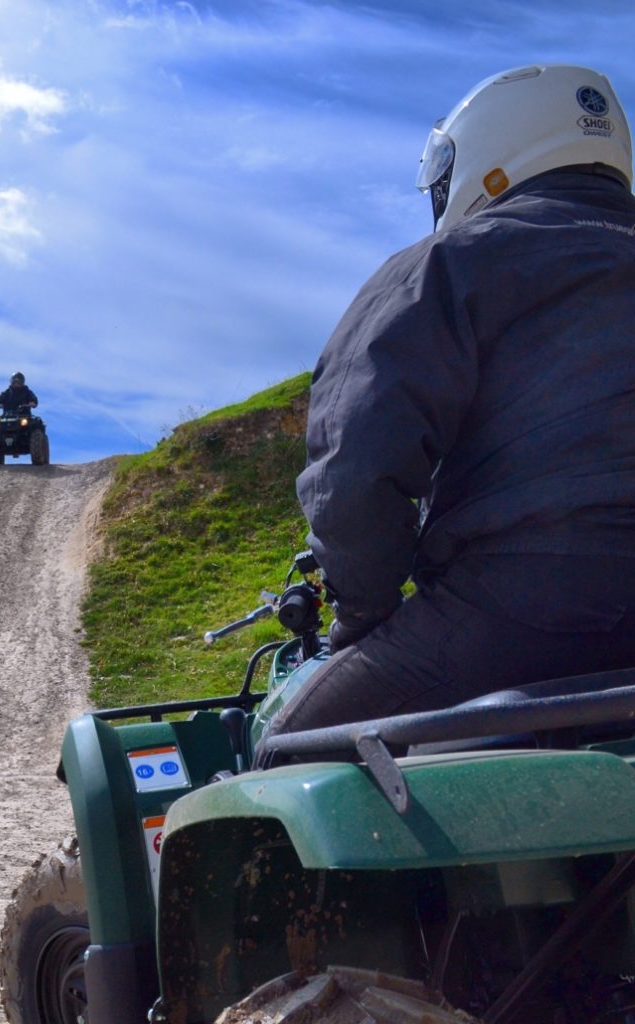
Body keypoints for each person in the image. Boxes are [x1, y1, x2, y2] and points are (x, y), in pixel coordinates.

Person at [264, 64, 635, 740]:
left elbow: (357, 467)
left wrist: (364, 615)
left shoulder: (449, 263)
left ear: (492, 152)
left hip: (516, 606)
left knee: (286, 747)